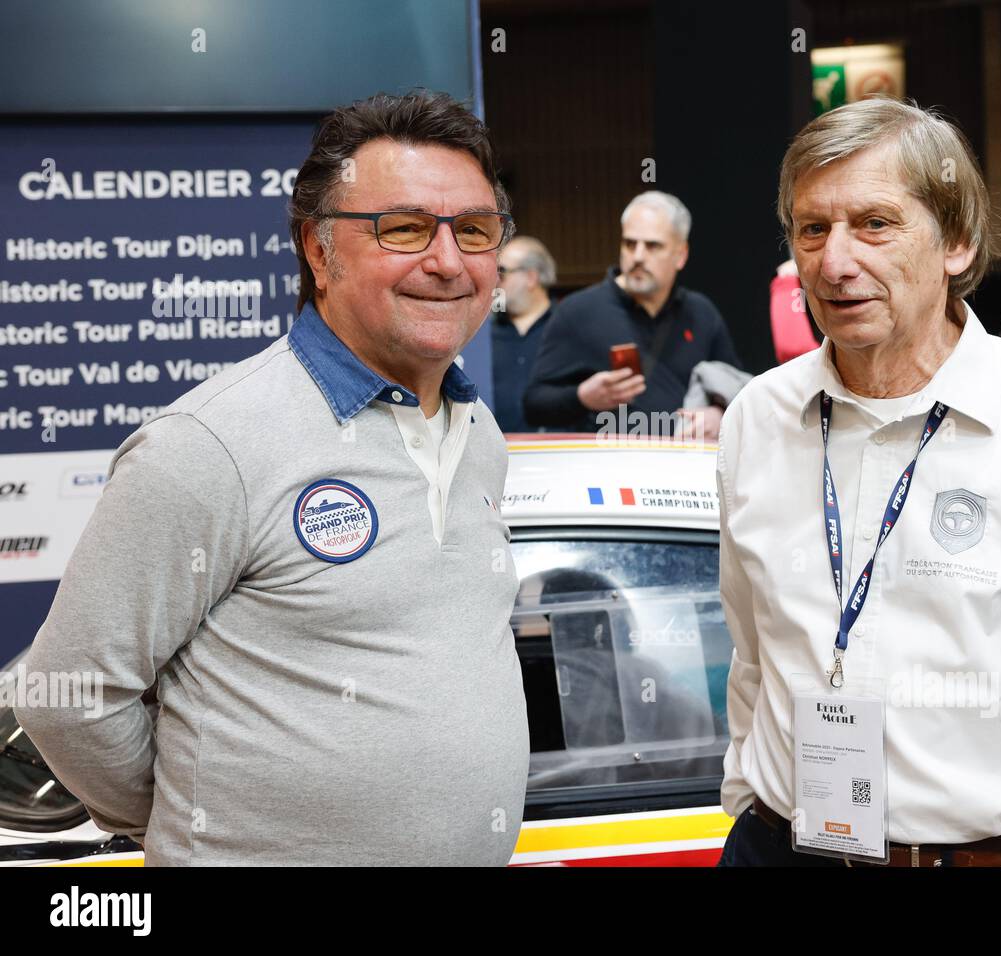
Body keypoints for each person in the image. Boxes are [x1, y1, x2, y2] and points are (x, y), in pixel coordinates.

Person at [15, 91, 530, 865]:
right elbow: (70, 692)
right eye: (405, 228)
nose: (449, 261)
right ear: (319, 252)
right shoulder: (207, 446)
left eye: (475, 231)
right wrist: (197, 819)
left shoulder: (477, 432)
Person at [715, 97, 1001, 866]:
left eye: (875, 223)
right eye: (812, 228)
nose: (834, 263)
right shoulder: (759, 418)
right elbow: (752, 650)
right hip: (781, 846)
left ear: (957, 242)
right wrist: (748, 801)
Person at [523, 190, 741, 438]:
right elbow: (534, 405)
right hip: (604, 470)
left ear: (681, 255)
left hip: (683, 467)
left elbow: (737, 390)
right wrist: (582, 397)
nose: (637, 256)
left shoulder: (701, 313)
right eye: (629, 244)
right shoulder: (577, 311)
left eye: (652, 246)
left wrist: (719, 412)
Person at [492, 235, 555, 432]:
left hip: (559, 452)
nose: (495, 280)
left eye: (502, 272)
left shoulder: (566, 328)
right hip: (497, 454)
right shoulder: (481, 335)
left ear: (531, 278)